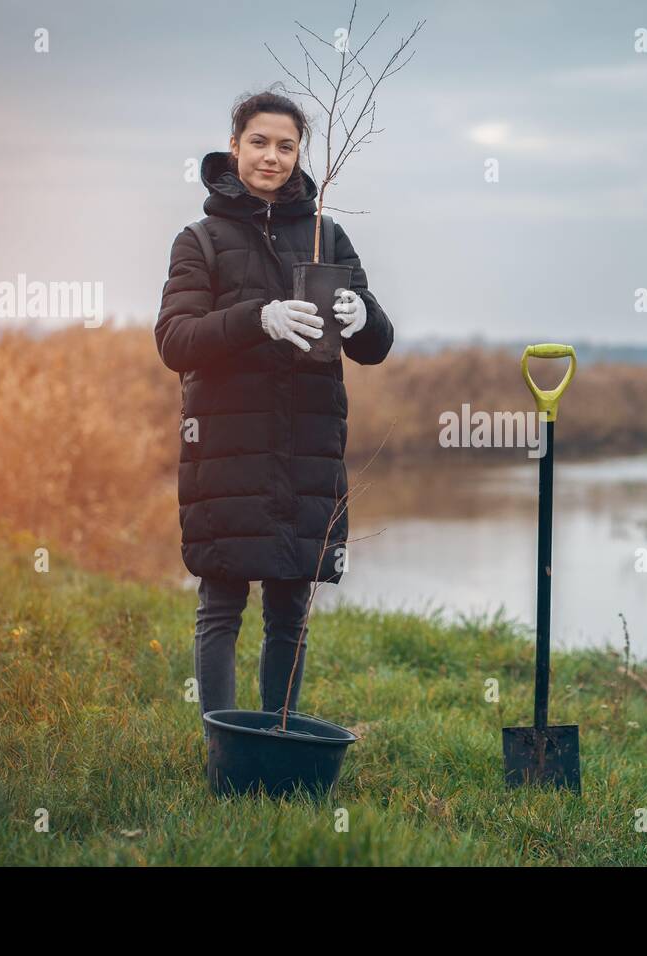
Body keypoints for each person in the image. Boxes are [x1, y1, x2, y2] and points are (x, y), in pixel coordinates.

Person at [154, 89, 394, 742]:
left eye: (286, 145)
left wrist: (362, 315)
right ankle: (223, 748)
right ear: (234, 148)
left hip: (307, 449)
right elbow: (175, 340)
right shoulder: (199, 240)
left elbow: (376, 344)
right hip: (227, 449)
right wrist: (256, 318)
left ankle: (278, 742)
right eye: (259, 142)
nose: (272, 156)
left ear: (298, 153)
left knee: (290, 608)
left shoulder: (326, 234)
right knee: (223, 605)